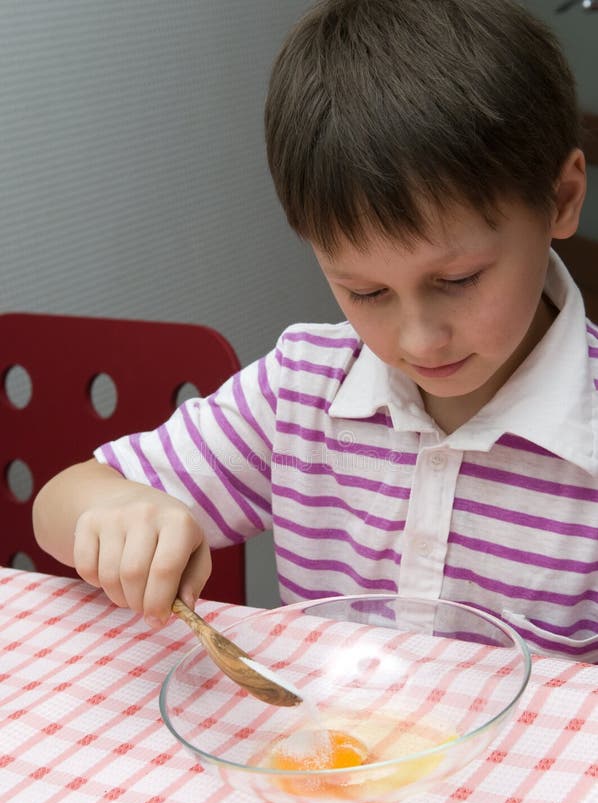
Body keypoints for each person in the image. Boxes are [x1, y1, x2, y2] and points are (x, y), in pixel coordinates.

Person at [33, 0, 597, 661]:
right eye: (367, 292)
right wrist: (115, 516)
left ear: (560, 201)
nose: (418, 340)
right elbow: (60, 502)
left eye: (458, 280)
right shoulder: (301, 390)